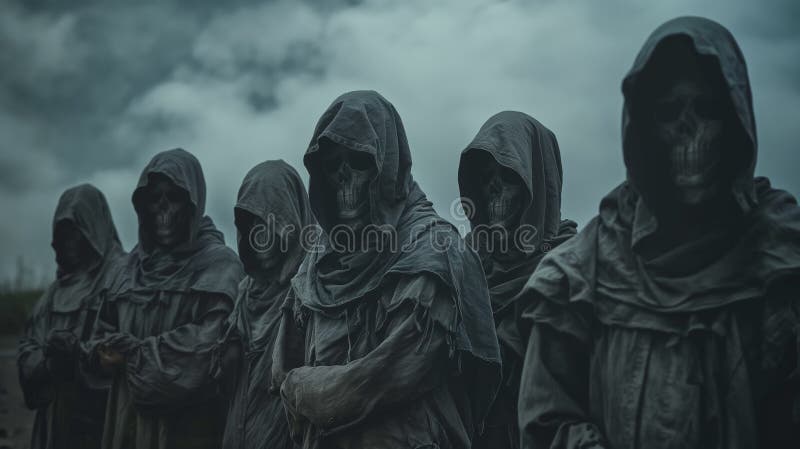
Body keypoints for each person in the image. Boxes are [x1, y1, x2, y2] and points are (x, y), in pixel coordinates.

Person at [517, 16, 800, 449]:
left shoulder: (780, 259)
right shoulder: (579, 277)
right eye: (670, 114)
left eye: (705, 110)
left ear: (734, 119)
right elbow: (546, 417)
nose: (689, 130)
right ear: (645, 131)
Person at [272, 90, 502, 449]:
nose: (344, 178)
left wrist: (309, 390)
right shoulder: (314, 268)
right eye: (333, 166)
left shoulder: (435, 249)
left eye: (358, 162)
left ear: (388, 163)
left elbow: (396, 370)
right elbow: (284, 370)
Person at [86, 148, 243, 449]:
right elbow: (99, 333)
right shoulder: (127, 270)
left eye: (173, 197)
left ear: (192, 203)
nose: (162, 209)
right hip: (127, 422)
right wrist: (100, 353)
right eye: (153, 199)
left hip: (188, 428)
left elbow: (213, 346)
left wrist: (135, 355)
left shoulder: (219, 266)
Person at [458, 111, 576, 449]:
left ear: (537, 182)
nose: (492, 187)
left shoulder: (575, 271)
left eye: (507, 175)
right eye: (485, 176)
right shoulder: (459, 268)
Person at [18, 184, 125, 449]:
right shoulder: (52, 296)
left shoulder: (124, 278)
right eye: (62, 233)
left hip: (104, 423)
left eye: (75, 231)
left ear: (93, 229)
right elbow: (27, 350)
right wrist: (48, 363)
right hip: (55, 423)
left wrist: (82, 358)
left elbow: (128, 347)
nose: (68, 241)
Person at [218, 160, 314, 449]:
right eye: (251, 225)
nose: (261, 237)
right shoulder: (246, 294)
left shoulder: (315, 284)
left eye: (271, 222)